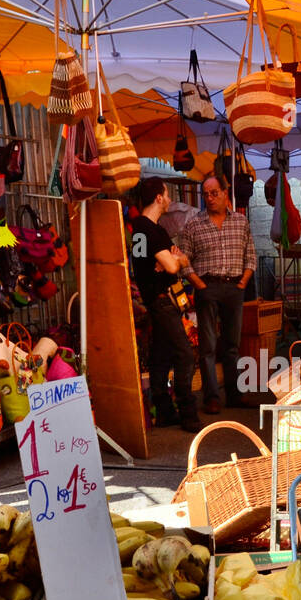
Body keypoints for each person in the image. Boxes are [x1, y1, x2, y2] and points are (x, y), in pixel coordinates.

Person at [177, 176, 257, 414]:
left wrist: (243, 281)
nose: (210, 198)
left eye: (214, 193)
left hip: (234, 288)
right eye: (206, 194)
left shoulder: (241, 223)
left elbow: (251, 255)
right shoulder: (193, 225)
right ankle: (212, 397)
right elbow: (183, 260)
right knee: (208, 346)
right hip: (207, 288)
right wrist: (199, 284)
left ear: (225, 192)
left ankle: (234, 394)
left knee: (232, 345)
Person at [129, 178, 201, 433]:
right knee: (184, 355)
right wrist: (176, 260)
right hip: (162, 301)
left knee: (161, 357)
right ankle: (187, 412)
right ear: (159, 198)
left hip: (154, 301)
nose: (170, 199)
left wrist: (171, 258)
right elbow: (173, 263)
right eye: (168, 194)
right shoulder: (150, 229)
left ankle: (165, 411)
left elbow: (158, 262)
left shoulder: (140, 229)